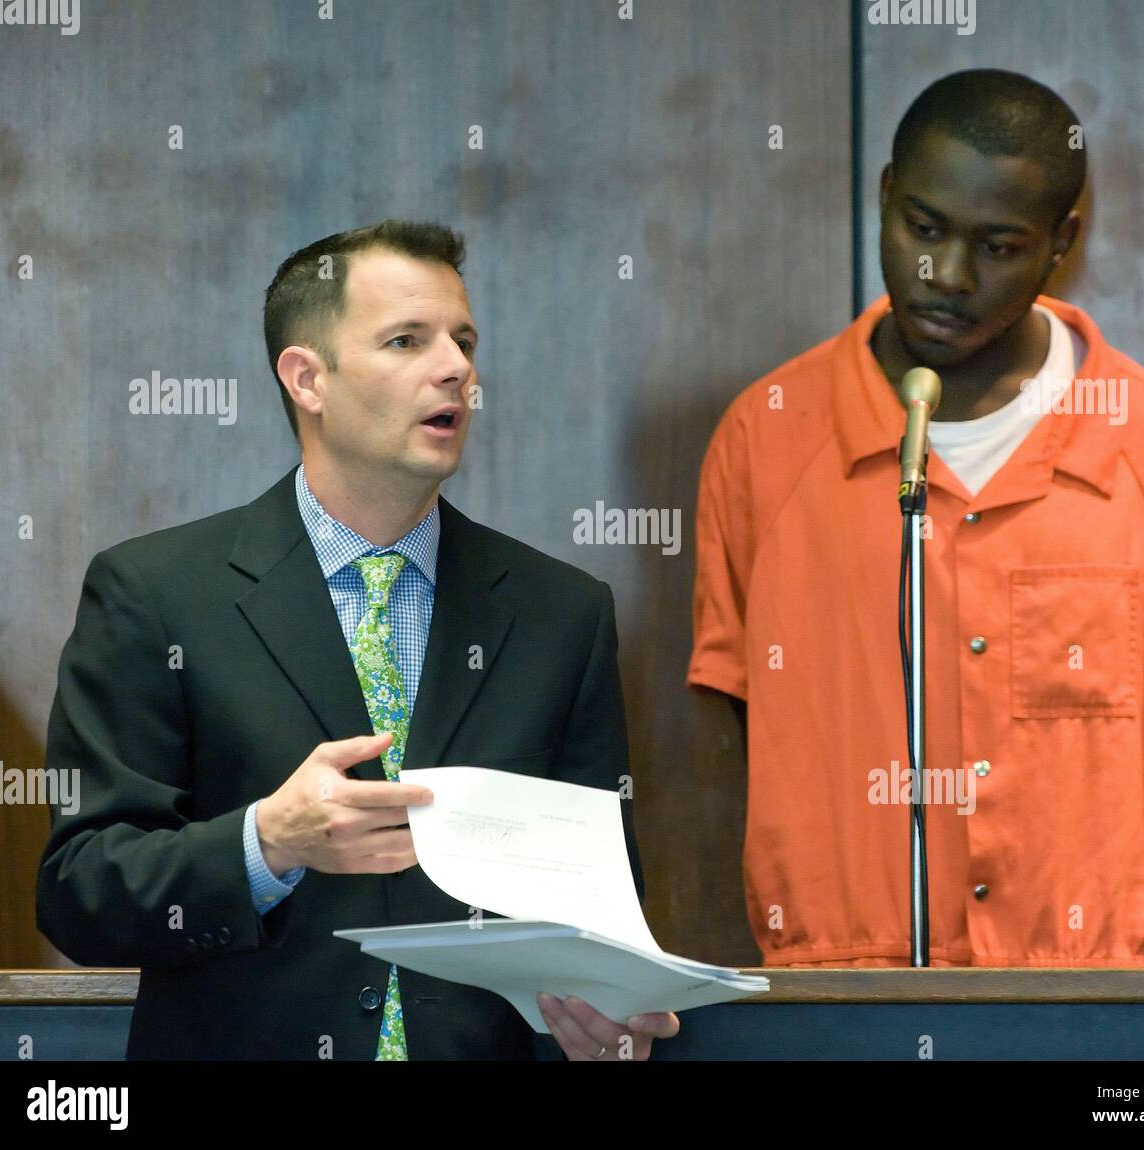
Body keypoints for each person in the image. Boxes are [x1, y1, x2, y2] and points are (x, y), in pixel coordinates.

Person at [38, 219, 680, 1059]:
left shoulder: (562, 613)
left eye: (463, 340)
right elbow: (81, 891)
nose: (454, 367)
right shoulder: (157, 595)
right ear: (307, 378)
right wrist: (267, 842)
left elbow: (602, 902)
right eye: (406, 340)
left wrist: (612, 1015)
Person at [688, 70, 1144, 968]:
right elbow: (734, 711)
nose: (945, 277)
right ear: (883, 195)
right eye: (922, 229)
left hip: (1096, 1004)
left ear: (1060, 242)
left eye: (997, 246)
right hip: (844, 997)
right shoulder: (766, 439)